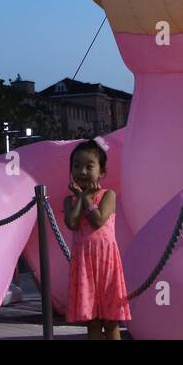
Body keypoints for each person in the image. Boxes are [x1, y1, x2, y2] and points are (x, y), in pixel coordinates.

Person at [63, 138, 130, 340]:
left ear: (101, 172)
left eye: (89, 166)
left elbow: (98, 220)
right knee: (92, 322)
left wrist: (86, 198)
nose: (82, 172)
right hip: (84, 262)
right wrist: (81, 198)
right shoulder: (69, 200)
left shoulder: (108, 194)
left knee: (111, 322)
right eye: (76, 166)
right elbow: (72, 223)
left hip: (107, 262)